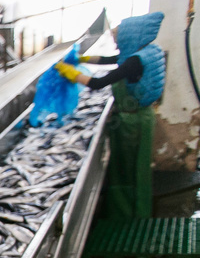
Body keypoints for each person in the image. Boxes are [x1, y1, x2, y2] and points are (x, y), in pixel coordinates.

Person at [54, 11, 166, 220]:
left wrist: (70, 73)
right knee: (137, 168)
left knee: (127, 171)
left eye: (117, 39)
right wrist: (82, 58)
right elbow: (113, 59)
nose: (116, 44)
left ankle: (127, 216)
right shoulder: (148, 50)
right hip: (141, 116)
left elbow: (98, 84)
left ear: (130, 37)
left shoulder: (135, 61)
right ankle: (136, 212)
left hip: (132, 124)